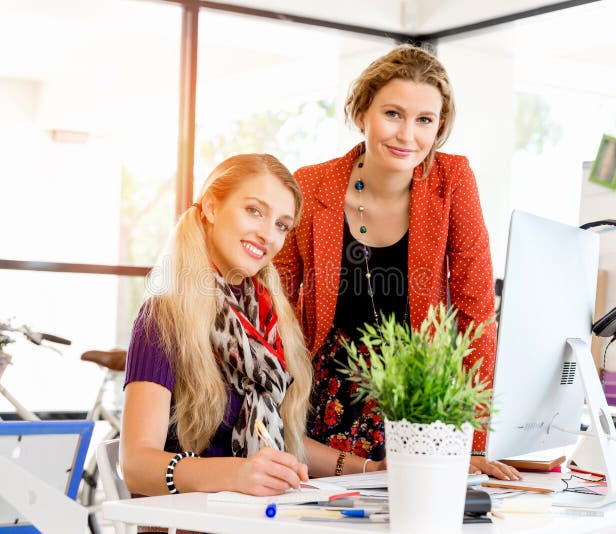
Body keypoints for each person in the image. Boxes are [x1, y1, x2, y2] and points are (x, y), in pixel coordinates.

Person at [274, 45, 520, 481]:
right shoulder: (311, 185)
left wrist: (474, 442)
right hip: (323, 408)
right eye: (392, 114)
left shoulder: (453, 180)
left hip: (420, 407)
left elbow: (475, 313)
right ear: (361, 113)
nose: (408, 135)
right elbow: (275, 301)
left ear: (439, 126)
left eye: (424, 120)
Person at [121, 154, 381, 501]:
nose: (267, 234)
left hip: (257, 517)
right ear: (212, 207)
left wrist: (371, 470)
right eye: (254, 211)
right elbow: (136, 465)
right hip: (188, 522)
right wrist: (237, 473)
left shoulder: (271, 322)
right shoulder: (165, 316)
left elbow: (283, 438)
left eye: (282, 225)